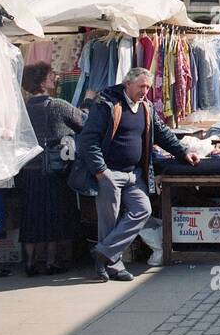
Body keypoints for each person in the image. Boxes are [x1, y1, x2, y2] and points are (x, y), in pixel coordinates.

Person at [70, 66, 200, 282]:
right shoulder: (107, 104)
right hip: (109, 173)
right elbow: (87, 140)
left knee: (142, 210)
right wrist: (101, 171)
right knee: (109, 220)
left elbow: (163, 134)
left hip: (133, 174)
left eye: (148, 87)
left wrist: (184, 152)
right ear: (127, 84)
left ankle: (103, 253)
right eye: (141, 86)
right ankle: (112, 266)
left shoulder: (146, 107)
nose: (145, 91)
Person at [17, 62, 86, 277]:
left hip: (29, 171)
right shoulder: (58, 105)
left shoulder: (23, 109)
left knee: (31, 217)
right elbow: (83, 121)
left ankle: (29, 263)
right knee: (55, 216)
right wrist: (90, 101)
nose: (55, 78)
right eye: (51, 75)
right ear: (43, 81)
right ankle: (50, 262)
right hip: (54, 171)